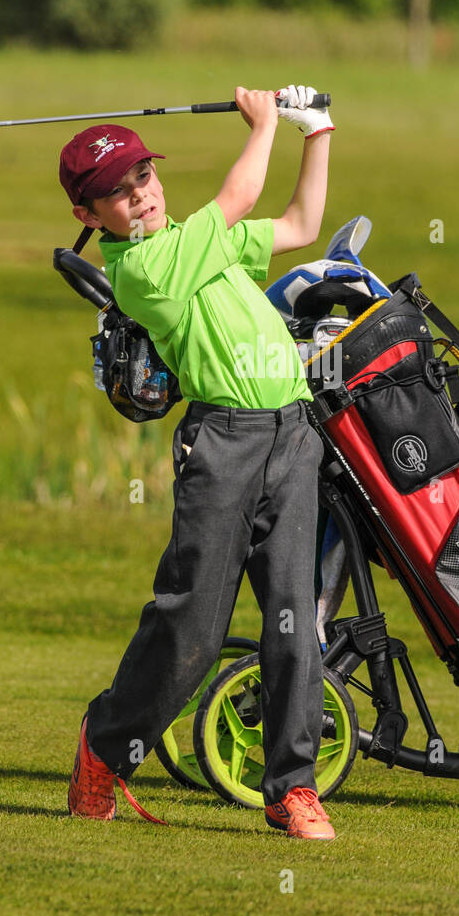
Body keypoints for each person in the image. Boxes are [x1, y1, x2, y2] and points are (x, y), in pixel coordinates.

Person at [59, 84, 337, 839]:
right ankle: (104, 748)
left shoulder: (195, 239)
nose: (137, 197)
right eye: (113, 194)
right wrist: (265, 124)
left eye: (141, 178)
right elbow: (241, 195)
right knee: (192, 627)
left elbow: (300, 223)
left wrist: (318, 132)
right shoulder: (143, 269)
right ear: (89, 217)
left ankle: (292, 787)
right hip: (223, 443)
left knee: (292, 619)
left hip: (291, 433)